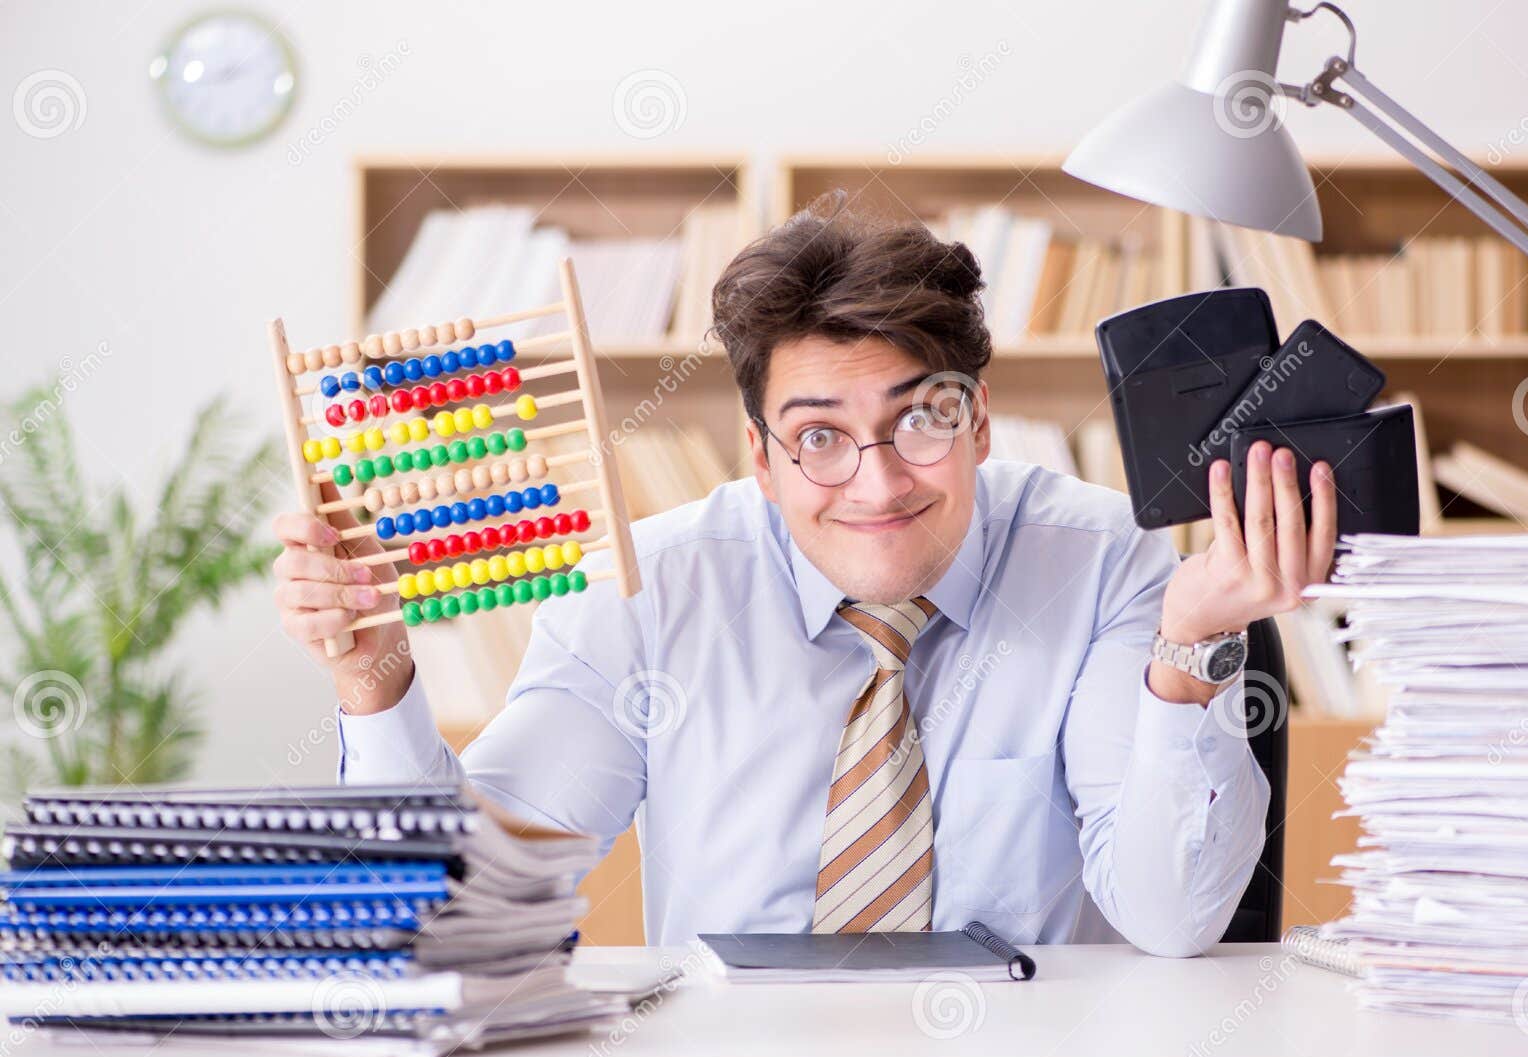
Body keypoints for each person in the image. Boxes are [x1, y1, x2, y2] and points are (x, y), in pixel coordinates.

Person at [273, 193, 1336, 954]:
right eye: (819, 436)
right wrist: (377, 689)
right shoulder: (651, 593)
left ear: (979, 420)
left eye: (922, 417)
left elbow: (1168, 918)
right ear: (759, 456)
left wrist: (1191, 652)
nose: (876, 484)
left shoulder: (1106, 563)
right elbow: (457, 919)